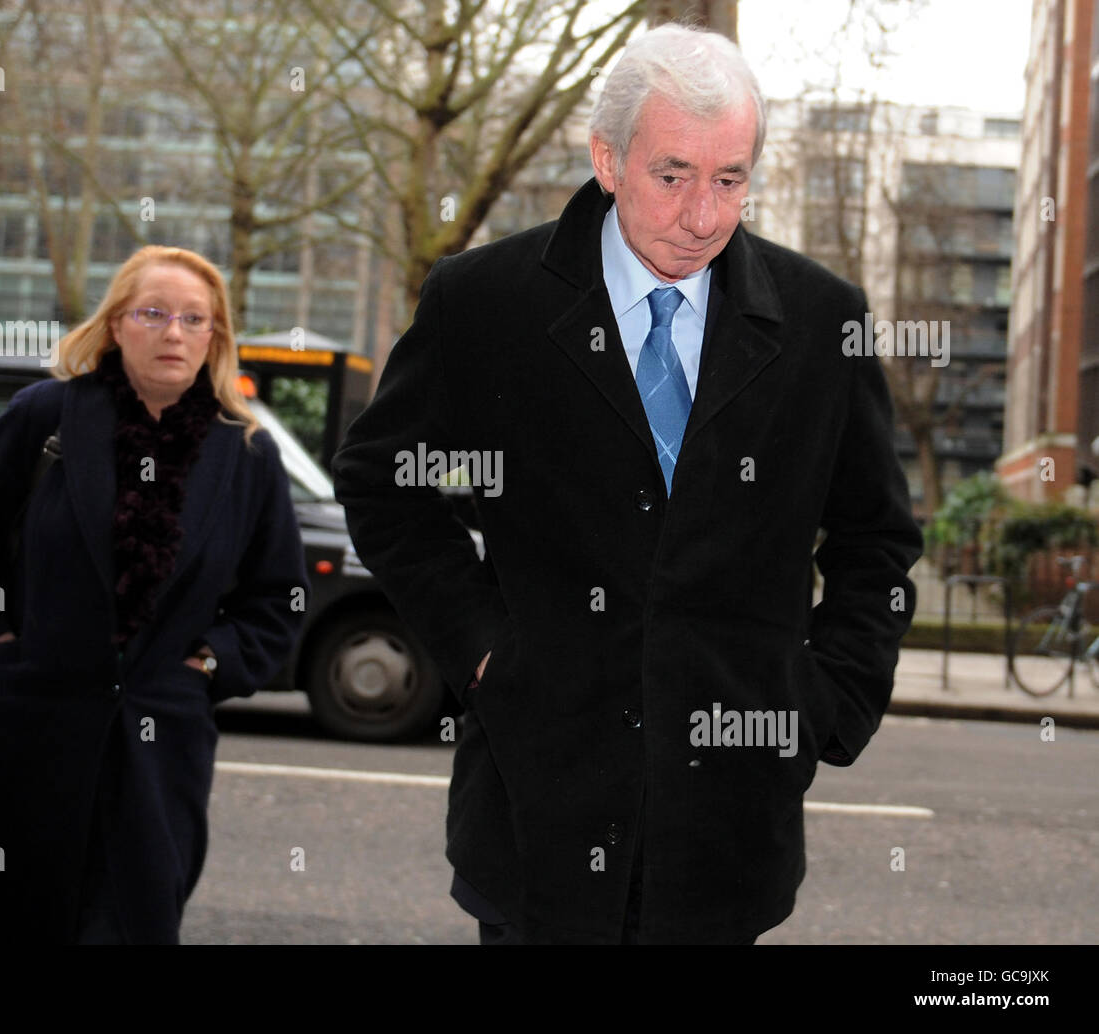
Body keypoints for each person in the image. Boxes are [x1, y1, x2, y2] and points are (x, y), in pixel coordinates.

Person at [331, 23, 924, 944]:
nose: (703, 216)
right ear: (607, 159)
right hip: (537, 816)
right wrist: (482, 647)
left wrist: (824, 704)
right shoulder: (484, 302)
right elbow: (383, 481)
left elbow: (877, 541)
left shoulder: (823, 321)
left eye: (731, 180)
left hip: (730, 831)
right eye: (674, 174)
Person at [0, 245, 308, 943]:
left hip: (159, 754)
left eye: (197, 320)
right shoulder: (44, 418)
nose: (175, 334)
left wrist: (209, 666)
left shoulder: (246, 450)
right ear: (115, 326)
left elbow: (276, 596)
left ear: (215, 338)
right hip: (26, 734)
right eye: (154, 314)